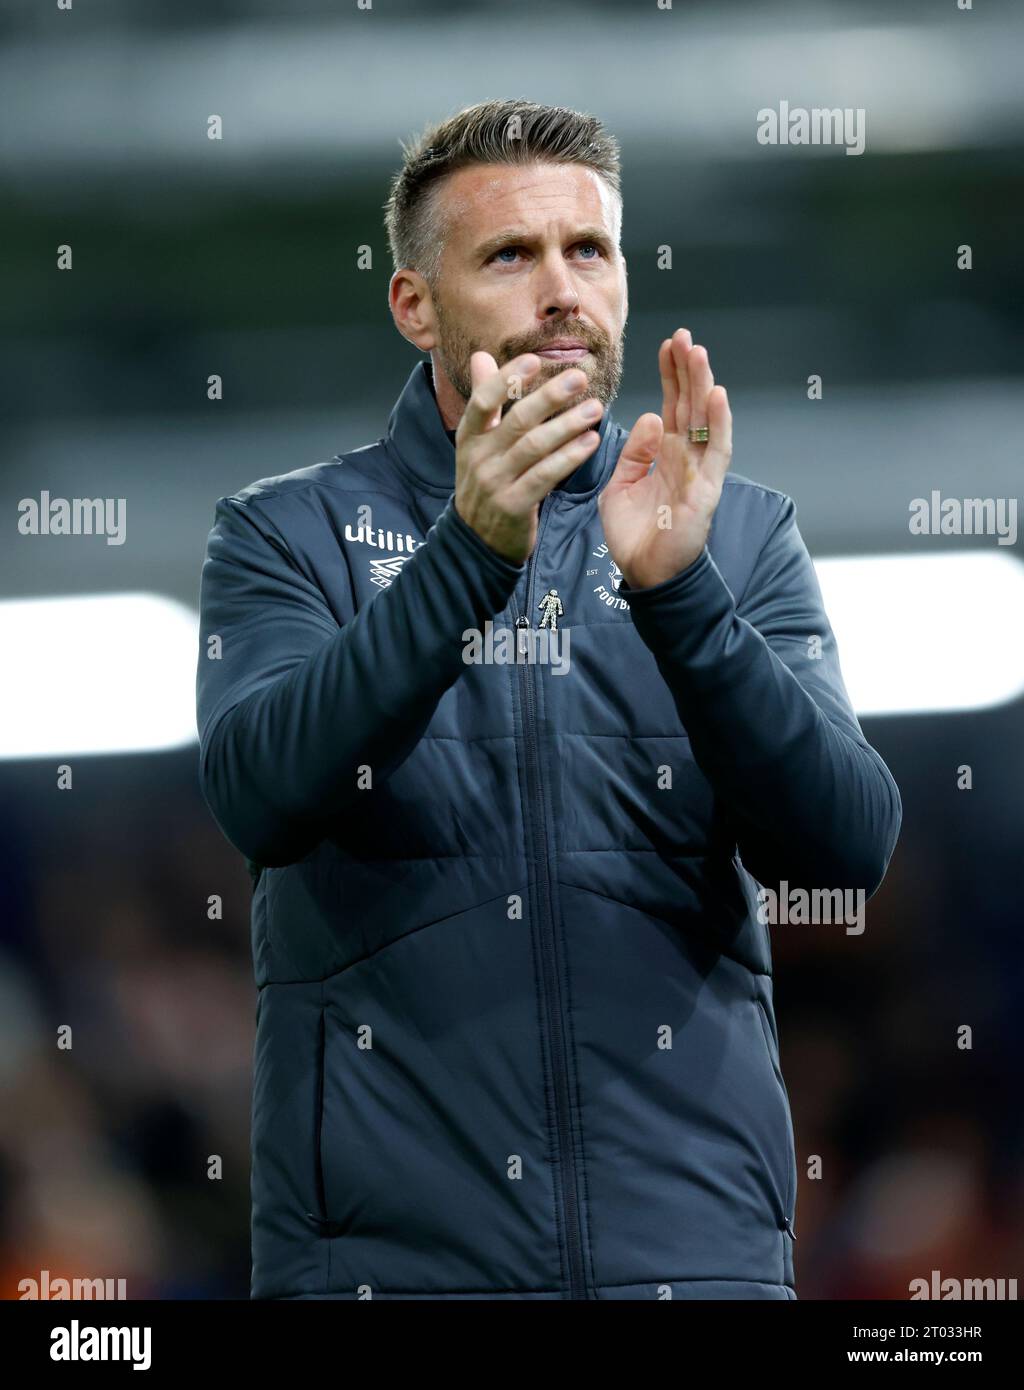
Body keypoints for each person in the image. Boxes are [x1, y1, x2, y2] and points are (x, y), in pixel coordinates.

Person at [195, 99, 902, 1301]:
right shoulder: (287, 533)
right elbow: (261, 796)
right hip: (390, 1275)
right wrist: (467, 558)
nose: (563, 290)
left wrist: (683, 598)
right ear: (415, 303)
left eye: (591, 251)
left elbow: (844, 844)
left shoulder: (736, 535)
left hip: (697, 1268)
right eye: (511, 255)